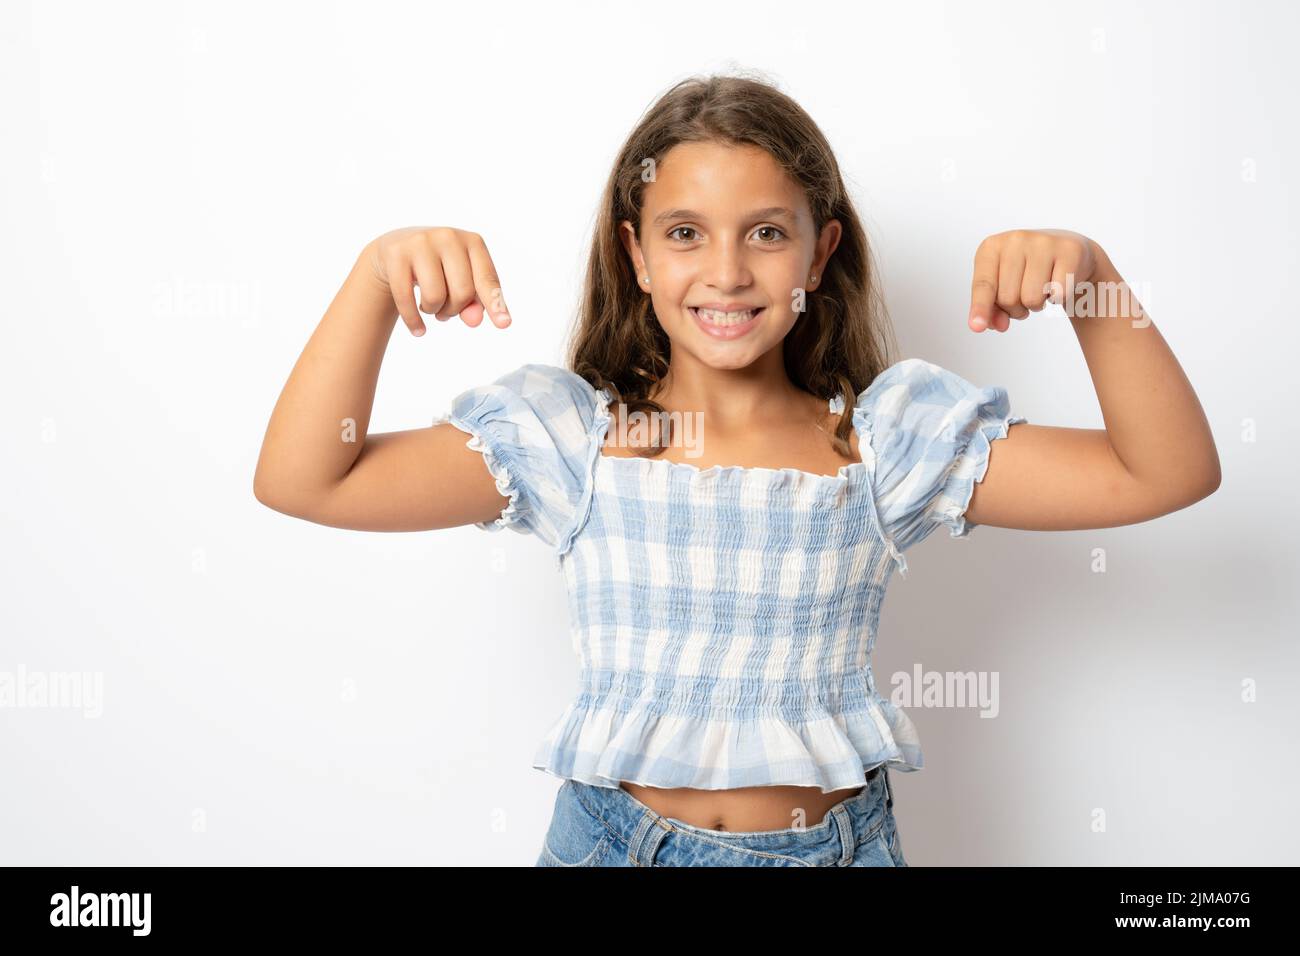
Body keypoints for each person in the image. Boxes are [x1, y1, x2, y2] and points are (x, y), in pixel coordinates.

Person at [252, 74, 1221, 867]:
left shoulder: (882, 443)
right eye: (684, 232)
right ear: (633, 254)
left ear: (819, 247)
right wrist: (376, 280)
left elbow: (1163, 471)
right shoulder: (574, 439)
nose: (725, 271)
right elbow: (307, 479)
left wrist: (1092, 281)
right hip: (609, 847)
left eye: (765, 231)